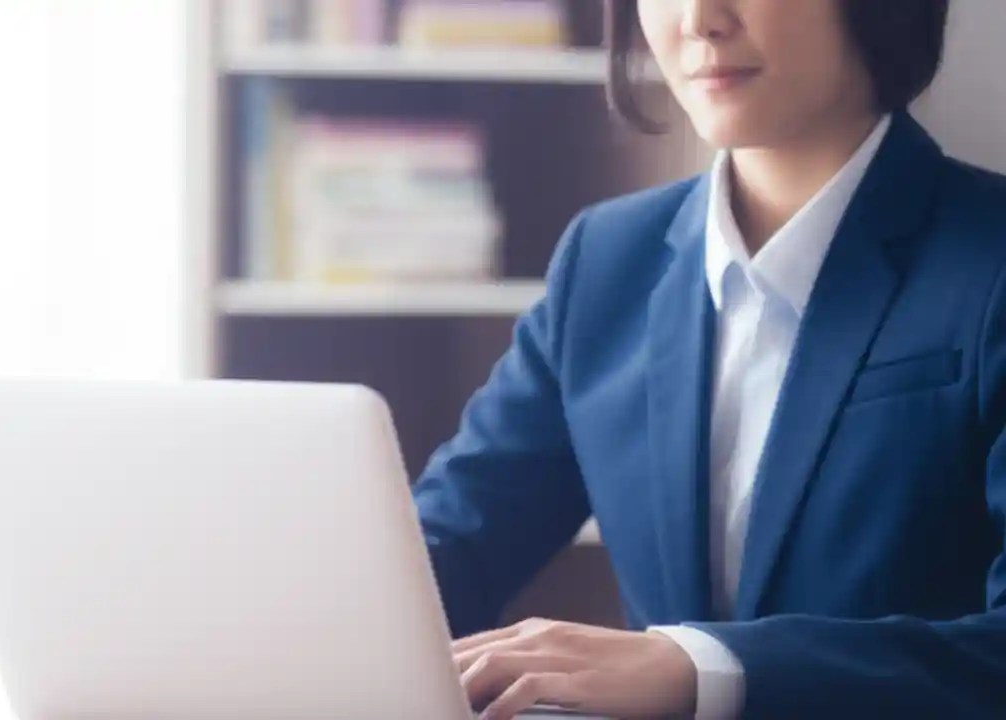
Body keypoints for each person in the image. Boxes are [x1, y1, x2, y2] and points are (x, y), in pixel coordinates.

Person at [412, 1, 1006, 718]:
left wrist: (700, 667)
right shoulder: (606, 259)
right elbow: (452, 544)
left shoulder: (988, 261)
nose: (699, 19)